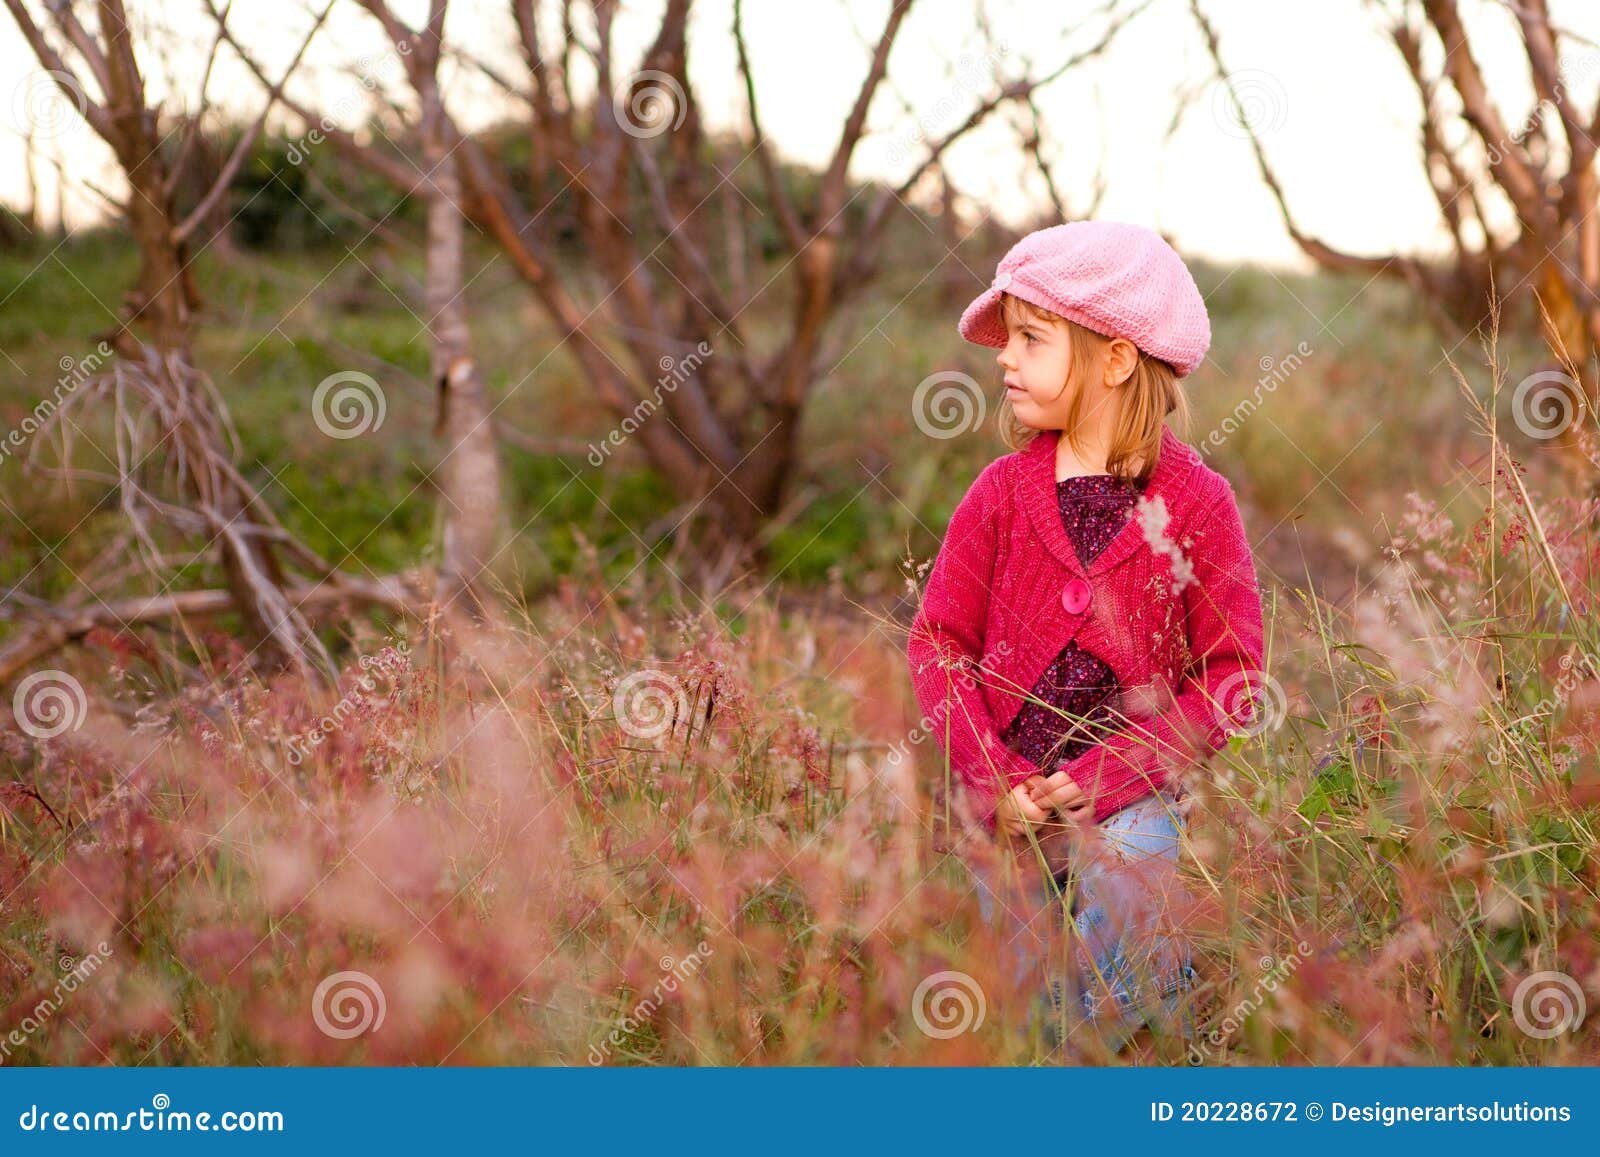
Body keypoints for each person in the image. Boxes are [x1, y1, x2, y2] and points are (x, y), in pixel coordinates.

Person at [904, 220, 1266, 1055]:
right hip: (1005, 807)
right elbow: (938, 642)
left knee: (1129, 910)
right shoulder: (999, 494)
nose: (1005, 358)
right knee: (1024, 983)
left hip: (1132, 800)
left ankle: (1132, 1044)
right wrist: (999, 778)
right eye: (1010, 339)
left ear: (1113, 359)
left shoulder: (1200, 505)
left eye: (1032, 339)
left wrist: (1112, 774)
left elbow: (1232, 675)